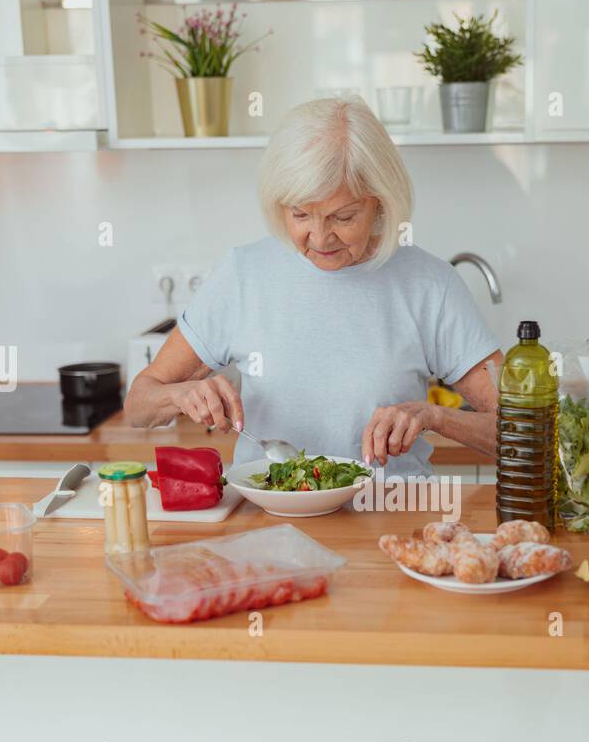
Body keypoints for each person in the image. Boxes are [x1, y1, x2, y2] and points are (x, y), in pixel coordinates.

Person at [125, 97, 501, 474]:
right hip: (269, 519)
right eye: (300, 214)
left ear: (381, 204)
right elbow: (138, 405)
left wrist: (433, 417)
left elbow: (522, 431)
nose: (319, 238)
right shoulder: (243, 275)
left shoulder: (429, 285)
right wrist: (182, 393)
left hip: (389, 516)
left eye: (343, 216)